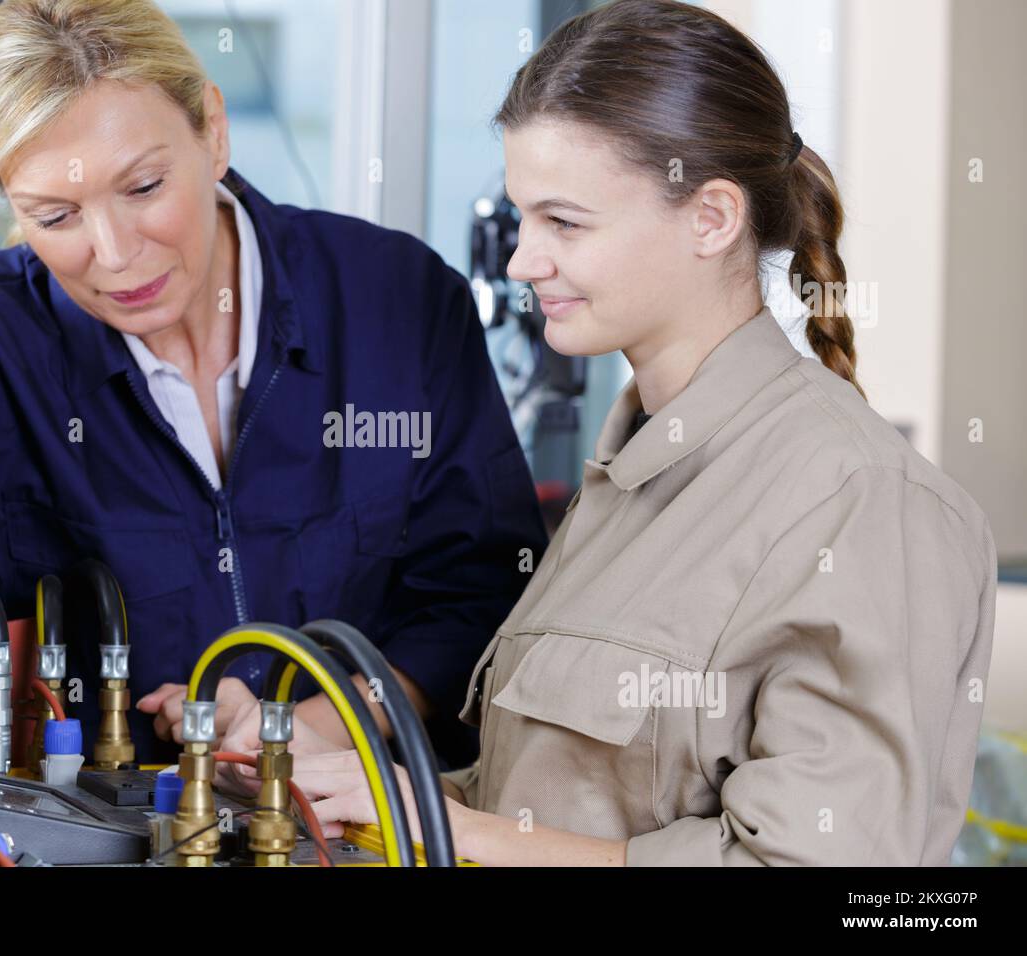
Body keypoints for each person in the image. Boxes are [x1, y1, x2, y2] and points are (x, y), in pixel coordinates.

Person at [0, 0, 545, 848]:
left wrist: (317, 723)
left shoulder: (396, 300)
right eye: (55, 217)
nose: (114, 254)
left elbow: (482, 595)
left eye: (145, 187)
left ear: (214, 132)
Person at [268, 0, 998, 866]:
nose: (520, 261)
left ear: (712, 218)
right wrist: (371, 795)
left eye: (564, 222)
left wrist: (457, 829)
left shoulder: (866, 504)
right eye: (521, 215)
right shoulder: (626, 480)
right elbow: (546, 806)